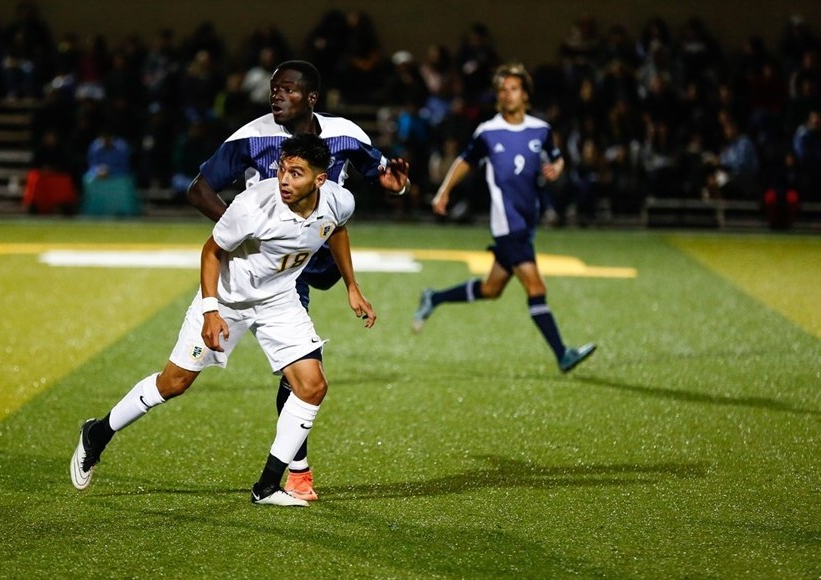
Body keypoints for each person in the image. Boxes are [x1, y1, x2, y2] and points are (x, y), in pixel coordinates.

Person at [70, 134, 377, 507]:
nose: (283, 179)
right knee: (175, 383)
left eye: (295, 173)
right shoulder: (252, 206)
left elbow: (337, 230)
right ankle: (97, 434)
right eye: (282, 169)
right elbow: (211, 252)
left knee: (312, 386)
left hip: (279, 299)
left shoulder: (339, 201)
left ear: (320, 180)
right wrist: (211, 310)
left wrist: (352, 286)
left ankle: (265, 487)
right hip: (228, 298)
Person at [185, 60, 409, 501]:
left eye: (286, 90)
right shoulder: (251, 136)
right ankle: (296, 473)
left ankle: (285, 475)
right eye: (273, 89)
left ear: (311, 98)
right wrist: (243, 231)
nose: (275, 96)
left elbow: (381, 175)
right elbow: (198, 188)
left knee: (302, 369)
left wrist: (397, 185)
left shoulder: (344, 132)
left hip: (321, 251)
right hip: (279, 267)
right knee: (301, 369)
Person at [412, 63, 596, 373]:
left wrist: (558, 167)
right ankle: (563, 354)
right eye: (502, 90)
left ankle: (434, 297)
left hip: (528, 222)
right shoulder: (488, 131)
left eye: (513, 89)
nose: (507, 94)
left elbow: (556, 157)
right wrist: (444, 191)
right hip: (507, 223)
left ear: (525, 95)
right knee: (536, 288)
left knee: (492, 288)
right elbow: (464, 161)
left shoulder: (541, 129)